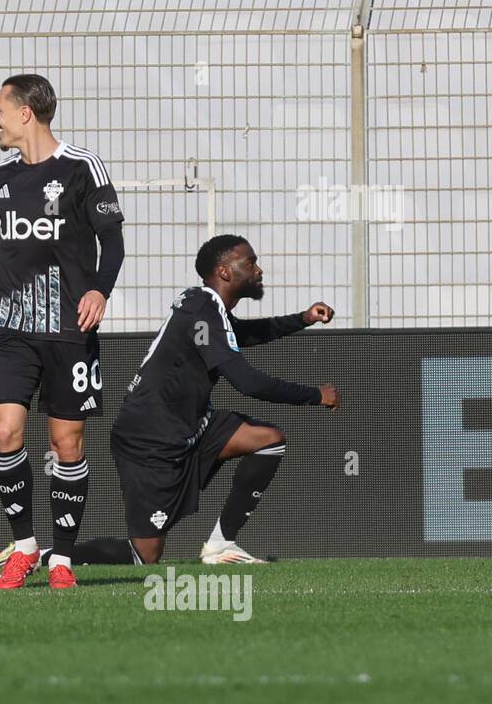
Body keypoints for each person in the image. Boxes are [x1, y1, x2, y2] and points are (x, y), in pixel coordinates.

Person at [83, 234, 339, 567]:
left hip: (191, 427)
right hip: (151, 440)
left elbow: (243, 333)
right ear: (224, 271)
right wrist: (315, 395)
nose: (259, 270)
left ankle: (221, 545)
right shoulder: (202, 309)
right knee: (144, 556)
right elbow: (247, 382)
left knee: (268, 440)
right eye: (250, 262)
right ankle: (48, 556)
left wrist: (302, 319)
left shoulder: (207, 306)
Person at [0, 74, 125, 590]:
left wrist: (99, 290)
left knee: (67, 442)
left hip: (68, 330)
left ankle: (62, 559)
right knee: (4, 432)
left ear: (25, 113)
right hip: (11, 331)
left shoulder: (82, 167)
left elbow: (113, 241)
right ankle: (24, 547)